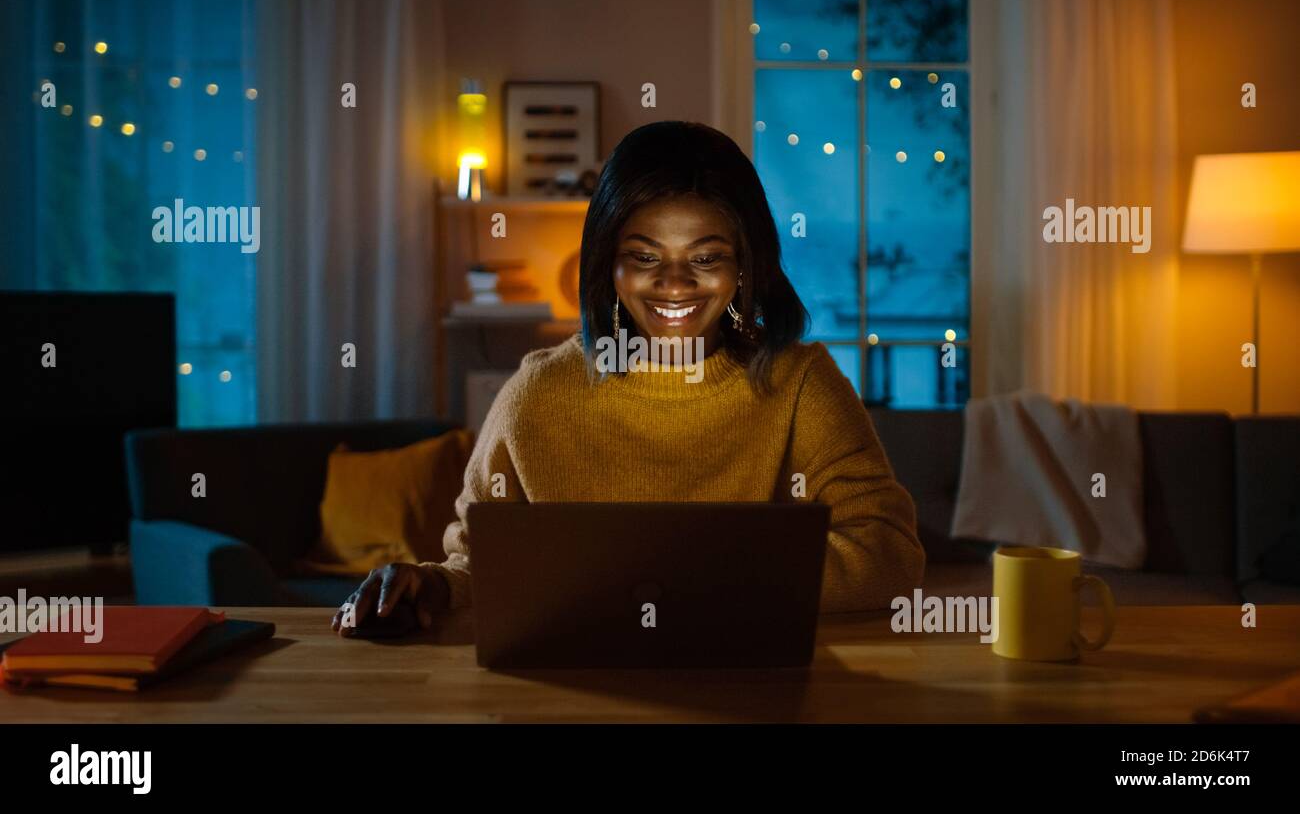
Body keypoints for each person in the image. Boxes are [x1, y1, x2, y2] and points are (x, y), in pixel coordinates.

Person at [332, 120, 923, 637]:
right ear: (606, 264)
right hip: (575, 692)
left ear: (746, 267)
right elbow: (478, 565)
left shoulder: (800, 384)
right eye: (644, 257)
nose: (673, 284)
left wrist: (689, 577)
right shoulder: (538, 395)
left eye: (706, 258)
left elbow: (889, 555)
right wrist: (425, 587)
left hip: (754, 682)